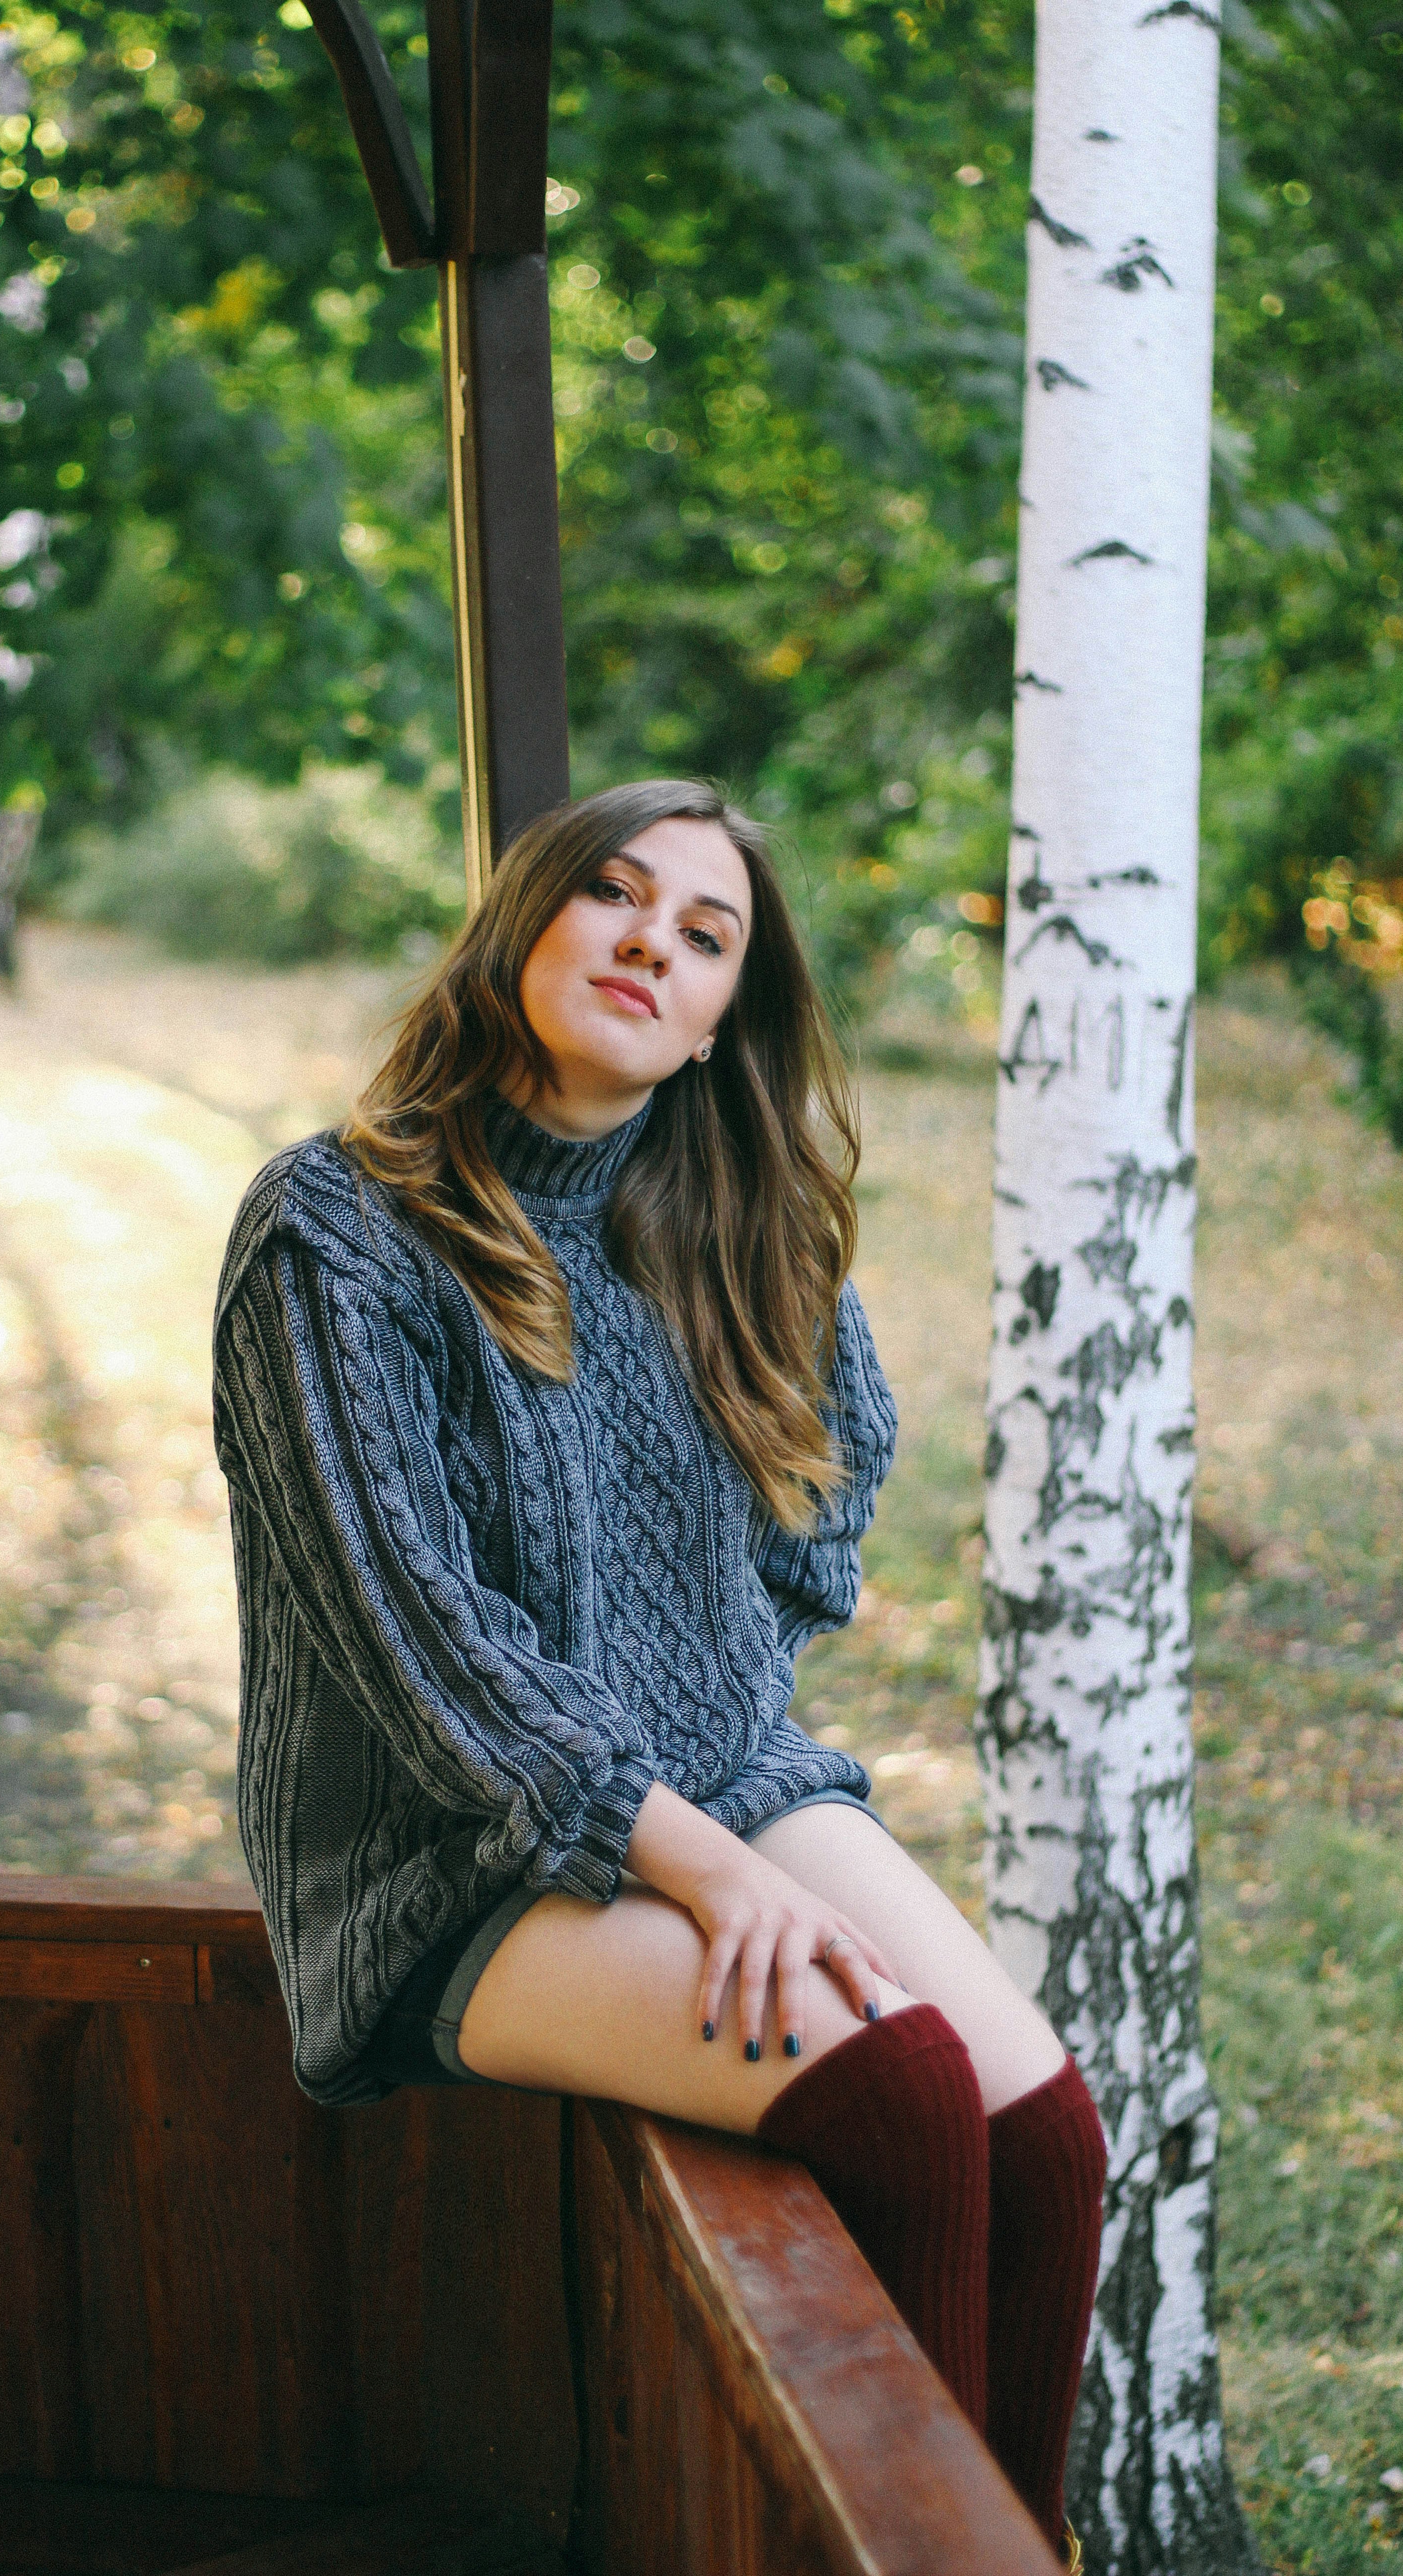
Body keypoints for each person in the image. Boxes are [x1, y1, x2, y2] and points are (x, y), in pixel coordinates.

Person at [212, 780, 1105, 2560]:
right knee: (901, 2095)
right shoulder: (335, 1228)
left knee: (1045, 2134)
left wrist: (716, 1772)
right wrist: (690, 1855)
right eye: (614, 900)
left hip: (716, 1783)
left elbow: (822, 1501)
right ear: (524, 927)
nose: (651, 945)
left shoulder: (729, 1223)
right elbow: (418, 1641)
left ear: (718, 1027)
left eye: (706, 938)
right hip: (438, 1853)